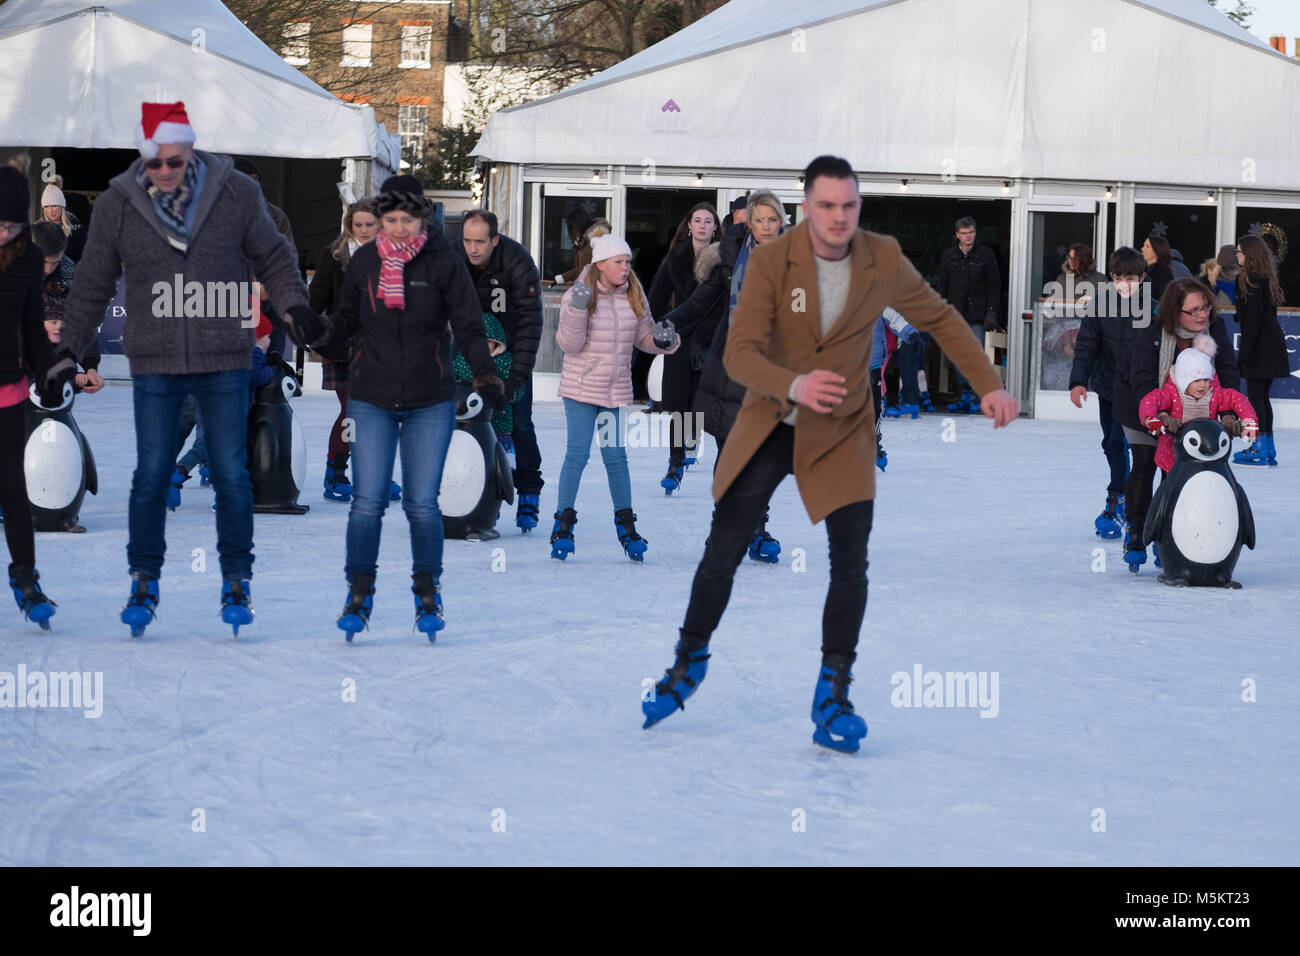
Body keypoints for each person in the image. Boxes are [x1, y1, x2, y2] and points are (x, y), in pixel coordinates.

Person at [641, 156, 1018, 753]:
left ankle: (833, 693)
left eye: (848, 206)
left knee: (850, 561)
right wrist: (792, 384)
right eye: (825, 206)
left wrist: (988, 382)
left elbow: (941, 319)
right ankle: (689, 660)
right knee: (724, 546)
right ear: (806, 209)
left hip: (842, 427)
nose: (837, 217)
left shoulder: (882, 258)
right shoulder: (769, 262)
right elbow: (737, 352)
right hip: (772, 417)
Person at [49, 101, 313, 637]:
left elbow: (275, 257)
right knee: (150, 475)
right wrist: (68, 351)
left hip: (224, 355)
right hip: (157, 361)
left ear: (191, 149)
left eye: (174, 160)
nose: (165, 171)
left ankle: (236, 580)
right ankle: (144, 582)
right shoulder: (119, 202)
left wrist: (297, 308)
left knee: (233, 475)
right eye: (154, 162)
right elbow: (94, 284)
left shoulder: (238, 193)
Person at [292, 175, 503, 640]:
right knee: (367, 503)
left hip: (430, 398)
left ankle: (428, 591)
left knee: (422, 504)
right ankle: (359, 592)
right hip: (371, 397)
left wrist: (486, 375)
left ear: (422, 218)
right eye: (391, 220)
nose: (400, 228)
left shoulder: (444, 263)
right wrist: (318, 330)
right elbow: (347, 321)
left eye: (408, 220)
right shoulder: (365, 261)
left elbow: (468, 327)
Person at [551, 235, 680, 562]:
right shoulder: (578, 295)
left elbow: (644, 337)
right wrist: (578, 310)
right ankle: (563, 526)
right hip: (581, 390)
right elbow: (569, 344)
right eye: (619, 262)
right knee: (577, 455)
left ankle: (626, 526)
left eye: (627, 262)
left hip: (614, 390)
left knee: (616, 458)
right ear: (601, 264)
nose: (626, 268)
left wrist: (664, 341)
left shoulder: (633, 294)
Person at [1111, 278, 1241, 572]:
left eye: (1205, 308)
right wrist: (1159, 416)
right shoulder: (1153, 334)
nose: (1201, 315)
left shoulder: (1215, 330)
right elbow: (1144, 379)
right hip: (1141, 404)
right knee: (1145, 462)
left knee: (1177, 472)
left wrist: (1229, 413)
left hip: (1191, 410)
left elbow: (1229, 372)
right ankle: (1135, 531)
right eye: (1193, 310)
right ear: (1174, 312)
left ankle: (1167, 535)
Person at [694, 188, 786, 563]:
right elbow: (699, 303)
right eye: (759, 219)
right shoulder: (729, 259)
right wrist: (665, 326)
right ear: (748, 221)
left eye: (773, 219)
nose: (766, 226)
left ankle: (756, 528)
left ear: (783, 222)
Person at [459, 208, 545, 531]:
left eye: (480, 241)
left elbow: (530, 325)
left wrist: (515, 379)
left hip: (510, 357)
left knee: (519, 423)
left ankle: (529, 492)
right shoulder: (455, 259)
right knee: (471, 425)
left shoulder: (518, 263)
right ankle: (481, 494)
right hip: (467, 358)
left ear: (495, 239)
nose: (473, 248)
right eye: (467, 240)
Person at [0, 167, 59, 626]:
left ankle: (26, 578)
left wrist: (48, 373)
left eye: (12, 226)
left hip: (8, 391)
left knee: (13, 490)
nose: (4, 233)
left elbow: (33, 326)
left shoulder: (28, 259)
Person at [1068, 247, 1145, 538]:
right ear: (1111, 277)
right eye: (1120, 277)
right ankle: (1121, 500)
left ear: (1142, 278)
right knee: (1112, 445)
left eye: (1132, 278)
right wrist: (1078, 381)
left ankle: (1122, 502)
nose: (1125, 283)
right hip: (1108, 389)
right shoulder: (1099, 307)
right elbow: (1086, 347)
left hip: (1140, 395)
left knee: (1128, 445)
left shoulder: (1153, 308)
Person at [308, 197, 381, 503]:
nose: (363, 231)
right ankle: (335, 473)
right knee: (353, 411)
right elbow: (316, 298)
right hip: (343, 346)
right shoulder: (334, 255)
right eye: (358, 225)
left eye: (369, 225)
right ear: (349, 226)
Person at [649, 203, 725, 493]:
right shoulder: (675, 258)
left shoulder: (724, 260)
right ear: (690, 226)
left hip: (712, 339)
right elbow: (657, 298)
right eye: (698, 221)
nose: (703, 226)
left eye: (708, 221)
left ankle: (724, 467)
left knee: (711, 405)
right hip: (680, 339)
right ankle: (675, 461)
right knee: (680, 406)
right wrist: (660, 332)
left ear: (715, 227)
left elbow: (723, 306)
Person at [1139, 334, 1257, 473]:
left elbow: (1238, 400)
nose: (1202, 385)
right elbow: (1149, 401)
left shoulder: (1215, 394)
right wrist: (1151, 420)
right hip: (1174, 459)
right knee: (1174, 491)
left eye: (1206, 379)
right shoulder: (1170, 393)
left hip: (1209, 456)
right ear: (1183, 379)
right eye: (1196, 380)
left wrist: (1249, 420)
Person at [1231, 233, 1290, 467]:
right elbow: (1256, 314)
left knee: (1257, 398)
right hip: (1269, 344)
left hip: (1260, 347)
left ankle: (1260, 447)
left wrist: (1243, 356)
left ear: (1250, 254)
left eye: (1239, 251)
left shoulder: (1251, 279)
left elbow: (1253, 321)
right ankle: (1267, 446)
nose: (1237, 255)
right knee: (1262, 398)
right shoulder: (1264, 278)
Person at [935, 216, 1001, 413]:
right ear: (957, 235)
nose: (968, 237)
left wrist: (991, 313)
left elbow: (994, 287)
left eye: (971, 232)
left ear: (975, 233)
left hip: (978, 316)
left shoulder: (986, 255)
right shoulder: (949, 256)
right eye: (964, 233)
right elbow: (942, 287)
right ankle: (963, 393)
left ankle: (975, 395)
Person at [31, 222, 104, 396]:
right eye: (44, 262)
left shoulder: (69, 271)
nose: (49, 269)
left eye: (54, 262)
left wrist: (90, 367)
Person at [37, 177, 87, 263]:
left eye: (54, 206)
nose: (50, 211)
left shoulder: (76, 227)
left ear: (62, 206)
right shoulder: (38, 227)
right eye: (46, 206)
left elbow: (83, 256)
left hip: (71, 273)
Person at [555, 209, 609, 284]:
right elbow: (582, 268)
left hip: (593, 287)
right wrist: (563, 277)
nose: (573, 232)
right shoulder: (584, 241)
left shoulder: (593, 240)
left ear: (577, 226)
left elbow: (588, 269)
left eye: (572, 228)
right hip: (588, 286)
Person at [1141, 236, 1176, 303]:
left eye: (1147, 246)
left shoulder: (1164, 275)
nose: (1142, 249)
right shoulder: (1143, 271)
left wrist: (1153, 312)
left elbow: (1165, 303)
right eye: (1144, 245)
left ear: (1157, 250)